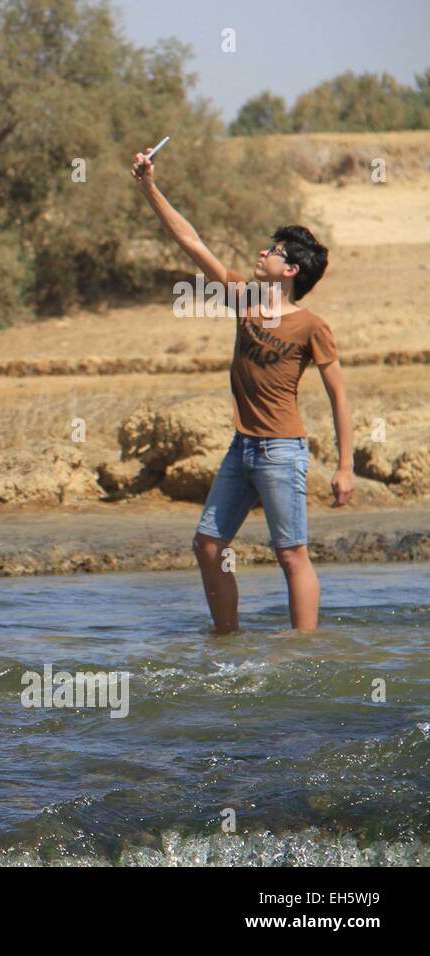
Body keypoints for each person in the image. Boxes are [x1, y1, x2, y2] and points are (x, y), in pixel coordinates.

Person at [131, 146, 354, 633]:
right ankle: (226, 641)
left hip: (282, 452)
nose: (264, 253)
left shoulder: (312, 326)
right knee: (208, 545)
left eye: (274, 252)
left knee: (291, 553)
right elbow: (192, 242)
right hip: (242, 448)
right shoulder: (244, 299)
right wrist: (149, 188)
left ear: (292, 270)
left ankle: (305, 654)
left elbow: (339, 394)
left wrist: (343, 466)